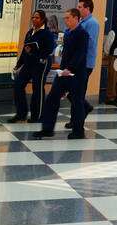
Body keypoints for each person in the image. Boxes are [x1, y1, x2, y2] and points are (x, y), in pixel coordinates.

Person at [36, 8, 88, 139]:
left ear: (76, 18)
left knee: (77, 102)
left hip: (76, 74)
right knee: (52, 98)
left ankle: (78, 131)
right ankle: (47, 129)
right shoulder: (67, 32)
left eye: (68, 18)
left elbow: (80, 54)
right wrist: (62, 68)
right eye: (64, 18)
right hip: (62, 72)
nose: (65, 20)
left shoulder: (82, 34)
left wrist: (70, 68)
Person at [9, 10, 55, 123]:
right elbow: (25, 50)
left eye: (37, 18)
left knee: (37, 88)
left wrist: (35, 51)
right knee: (18, 85)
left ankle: (37, 115)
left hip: (41, 63)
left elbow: (49, 49)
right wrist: (18, 65)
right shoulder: (30, 32)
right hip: (29, 63)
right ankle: (21, 113)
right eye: (33, 17)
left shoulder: (47, 33)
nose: (34, 20)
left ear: (43, 20)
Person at [63, 0, 99, 133]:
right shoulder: (82, 22)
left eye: (80, 7)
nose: (78, 9)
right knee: (74, 92)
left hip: (86, 62)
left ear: (87, 8)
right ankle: (80, 113)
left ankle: (77, 120)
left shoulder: (92, 23)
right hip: (77, 62)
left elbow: (89, 42)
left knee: (77, 92)